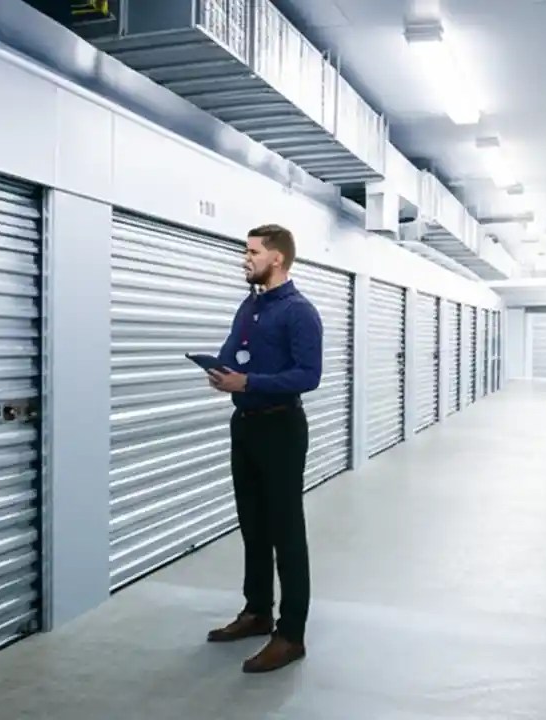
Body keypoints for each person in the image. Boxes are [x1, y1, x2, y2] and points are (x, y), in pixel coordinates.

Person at [205, 223, 323, 673]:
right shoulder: (250, 306)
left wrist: (250, 381)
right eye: (246, 250)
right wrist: (221, 372)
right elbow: (233, 351)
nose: (245, 258)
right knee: (253, 525)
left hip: (281, 428)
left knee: (286, 533)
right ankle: (257, 612)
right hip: (246, 425)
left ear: (277, 258)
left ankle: (291, 635)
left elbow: (309, 375)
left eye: (252, 251)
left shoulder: (299, 312)